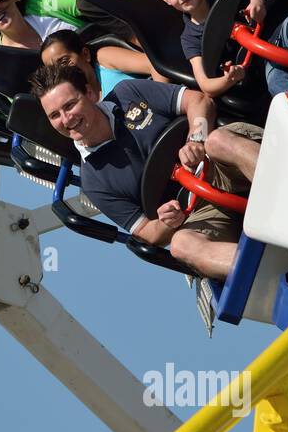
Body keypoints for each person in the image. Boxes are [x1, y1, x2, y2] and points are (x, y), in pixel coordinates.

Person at [29, 61, 262, 280]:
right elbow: (145, 232)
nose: (66, 119)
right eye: (54, 115)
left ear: (90, 94)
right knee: (182, 245)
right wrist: (165, 221)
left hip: (217, 164)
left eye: (70, 105)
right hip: (200, 211)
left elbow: (199, 101)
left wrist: (196, 141)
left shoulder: (127, 93)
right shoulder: (94, 182)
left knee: (217, 141)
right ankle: (267, 271)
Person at [117, 0, 265, 98]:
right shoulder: (189, 39)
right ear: (165, 0)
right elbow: (205, 85)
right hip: (257, 70)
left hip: (274, 31)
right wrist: (228, 79)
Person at [40, 27, 139, 96]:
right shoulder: (71, 106)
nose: (60, 71)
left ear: (85, 54)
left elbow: (152, 65)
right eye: (52, 70)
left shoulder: (105, 60)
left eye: (64, 61)